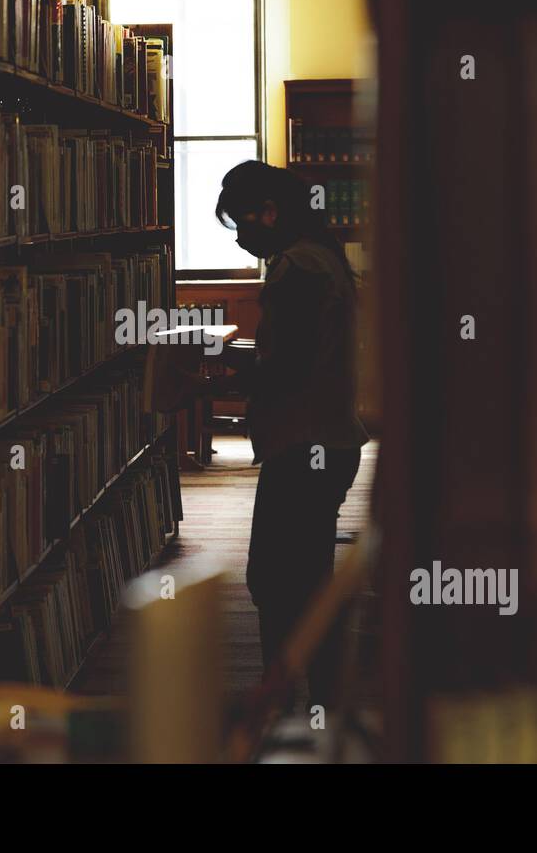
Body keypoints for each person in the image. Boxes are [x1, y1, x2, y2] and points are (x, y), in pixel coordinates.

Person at [208, 159, 368, 709]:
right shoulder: (323, 257)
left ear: (270, 213)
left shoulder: (297, 267)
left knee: (276, 583)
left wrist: (217, 371)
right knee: (307, 582)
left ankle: (285, 707)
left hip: (304, 447)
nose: (240, 238)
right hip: (328, 440)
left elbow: (285, 369)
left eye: (242, 224)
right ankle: (317, 703)